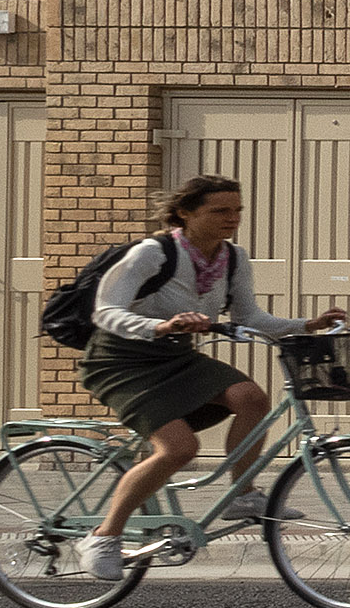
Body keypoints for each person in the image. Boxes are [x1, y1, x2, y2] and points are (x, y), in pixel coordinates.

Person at [74, 177, 274, 576]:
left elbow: (250, 318)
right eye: (220, 211)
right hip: (123, 360)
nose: (232, 219)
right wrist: (161, 326)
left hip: (176, 357)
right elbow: (105, 311)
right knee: (179, 449)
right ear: (186, 213)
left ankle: (243, 495)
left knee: (251, 397)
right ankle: (103, 537)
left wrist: (309, 325)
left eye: (237, 211)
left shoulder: (233, 258)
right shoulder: (153, 253)